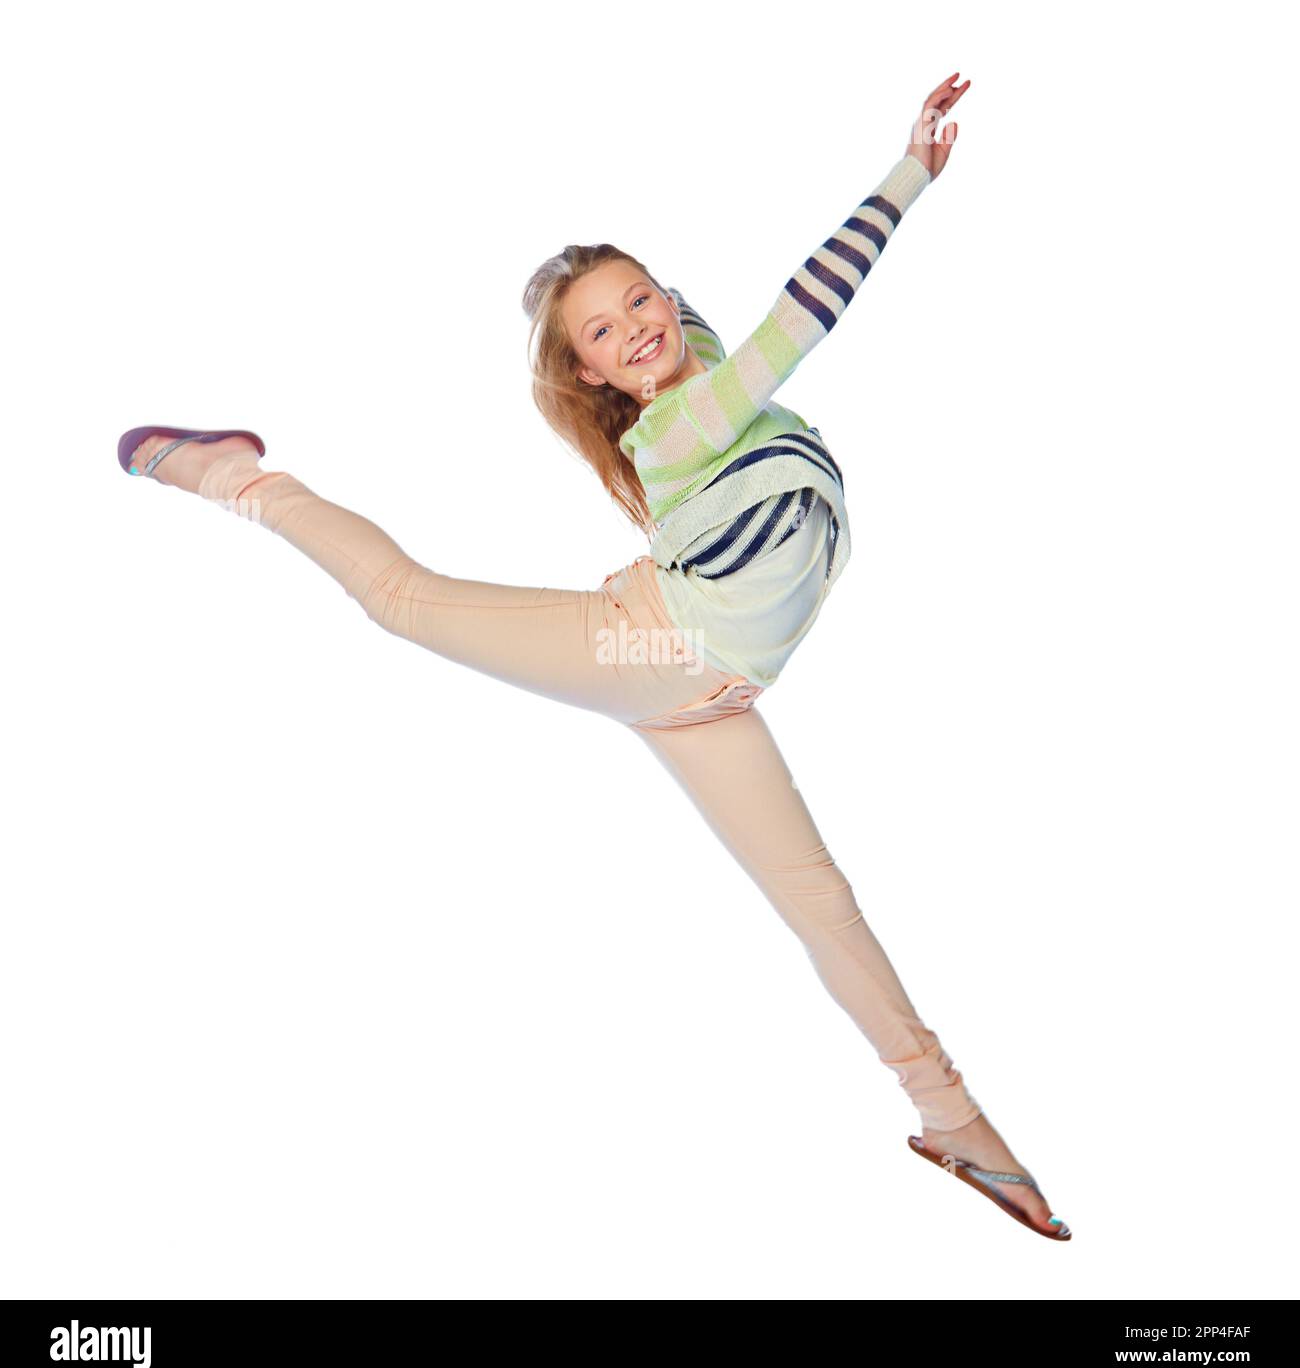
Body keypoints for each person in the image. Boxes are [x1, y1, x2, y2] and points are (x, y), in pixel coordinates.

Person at [118, 71, 1069, 1240]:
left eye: (639, 301)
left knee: (819, 901)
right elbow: (810, 305)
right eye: (604, 333)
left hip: (714, 691)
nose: (636, 330)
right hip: (647, 644)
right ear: (593, 377)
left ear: (670, 298)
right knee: (403, 600)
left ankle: (956, 1124)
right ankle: (223, 473)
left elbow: (731, 326)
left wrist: (630, 285)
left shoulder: (702, 373)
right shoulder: (684, 419)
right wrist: (910, 173)